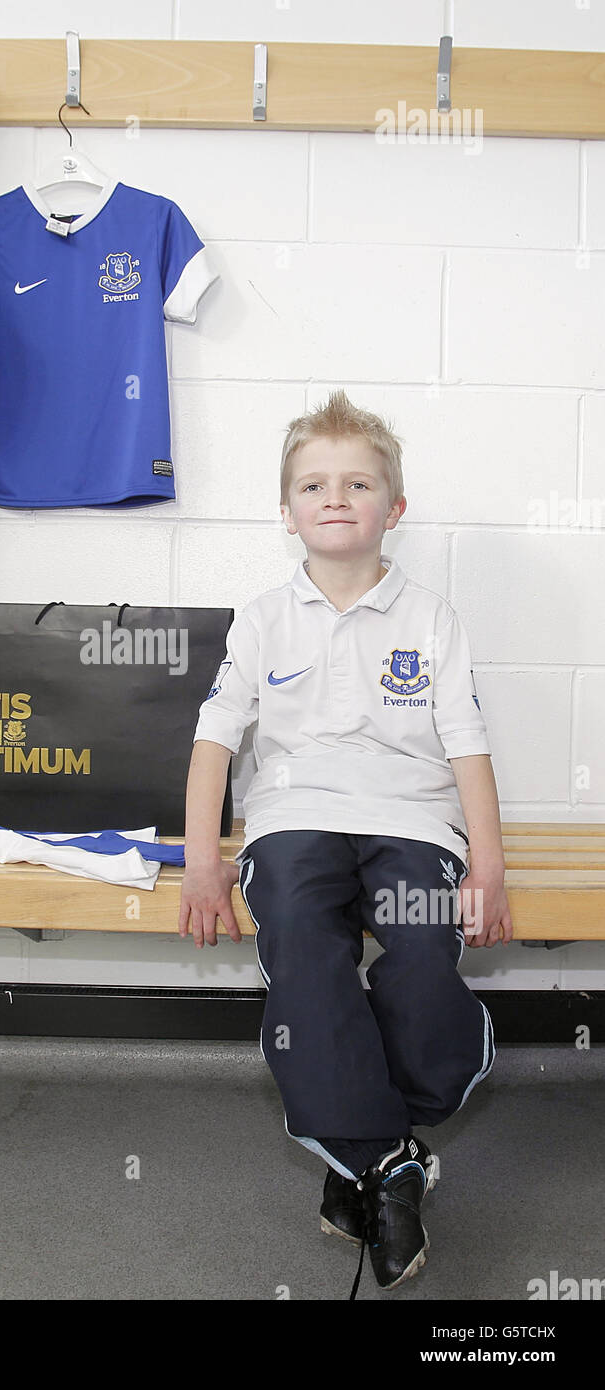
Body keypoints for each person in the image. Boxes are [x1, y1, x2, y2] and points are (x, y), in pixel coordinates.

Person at [178, 389, 512, 1292]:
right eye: (314, 484)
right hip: (293, 819)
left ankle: (362, 1148)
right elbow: (214, 739)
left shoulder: (432, 619)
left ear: (391, 510)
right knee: (303, 944)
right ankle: (385, 1162)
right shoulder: (261, 617)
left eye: (358, 483)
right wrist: (201, 859)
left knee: (416, 957)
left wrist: (487, 866)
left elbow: (466, 747)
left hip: (412, 821)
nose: (335, 497)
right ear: (286, 511)